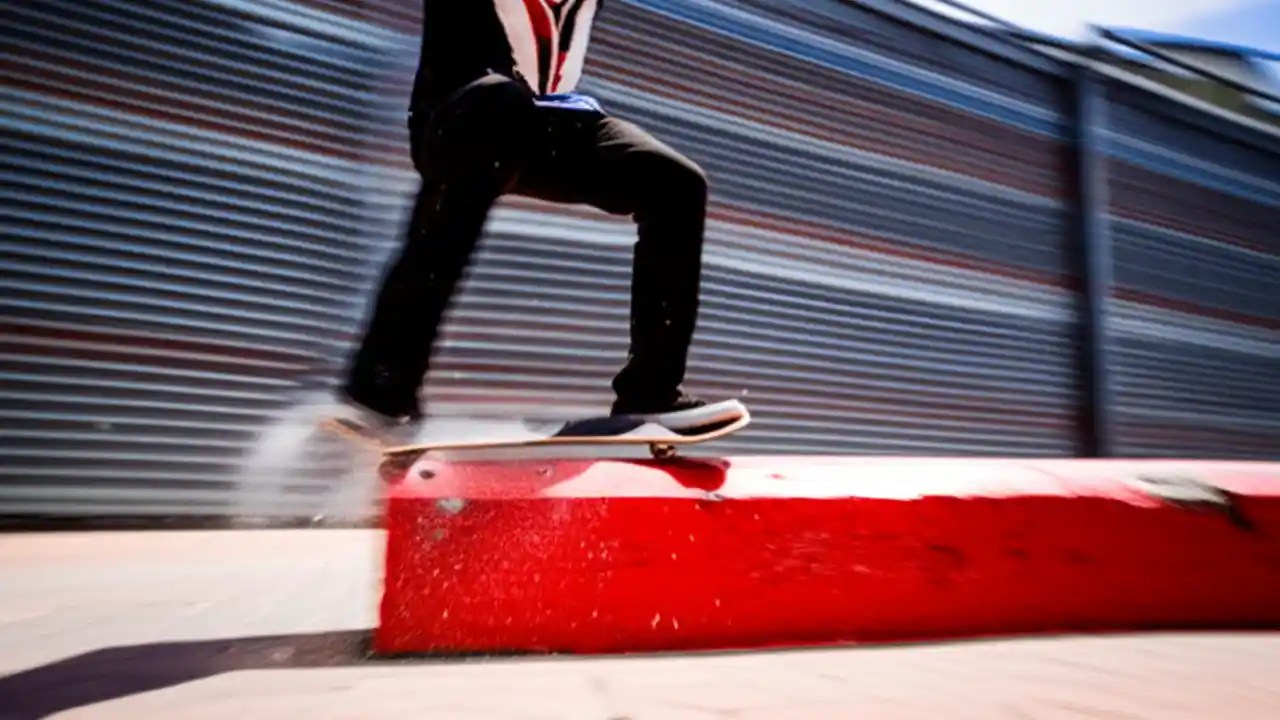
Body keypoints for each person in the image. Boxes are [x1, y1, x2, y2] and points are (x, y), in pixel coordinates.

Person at [330, 0, 743, 441]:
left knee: (676, 183)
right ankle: (382, 387)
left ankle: (651, 393)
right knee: (501, 108)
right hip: (458, 115)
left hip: (549, 121)